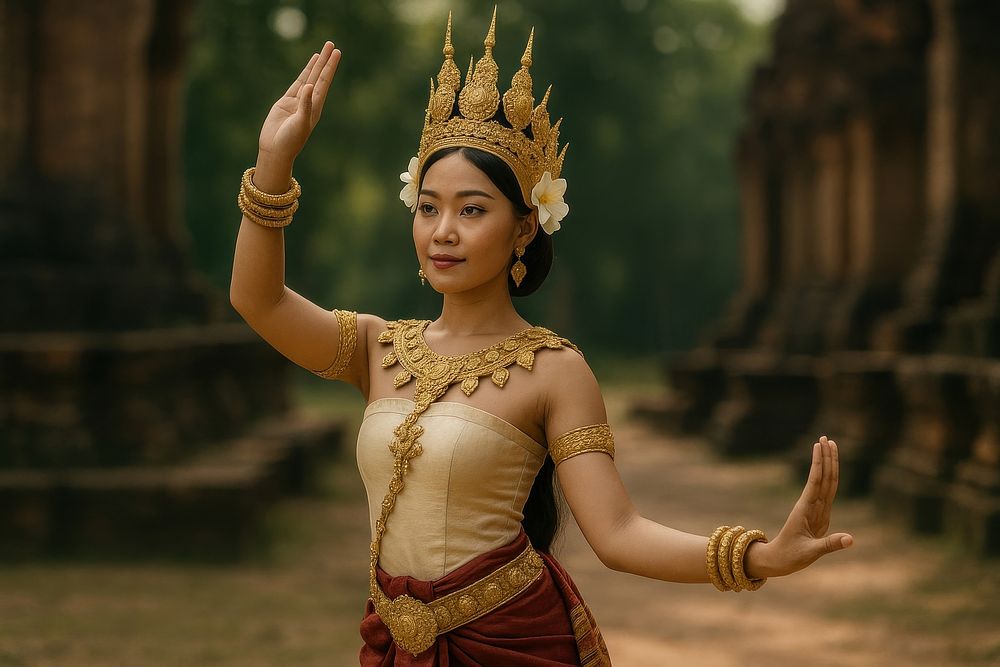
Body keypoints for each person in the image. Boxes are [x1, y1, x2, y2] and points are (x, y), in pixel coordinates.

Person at [230, 11, 854, 666]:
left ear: (526, 228)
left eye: (472, 209)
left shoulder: (554, 370)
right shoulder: (376, 347)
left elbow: (617, 533)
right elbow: (259, 300)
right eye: (429, 206)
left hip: (512, 642)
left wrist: (759, 556)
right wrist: (274, 163)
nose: (444, 229)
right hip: (395, 643)